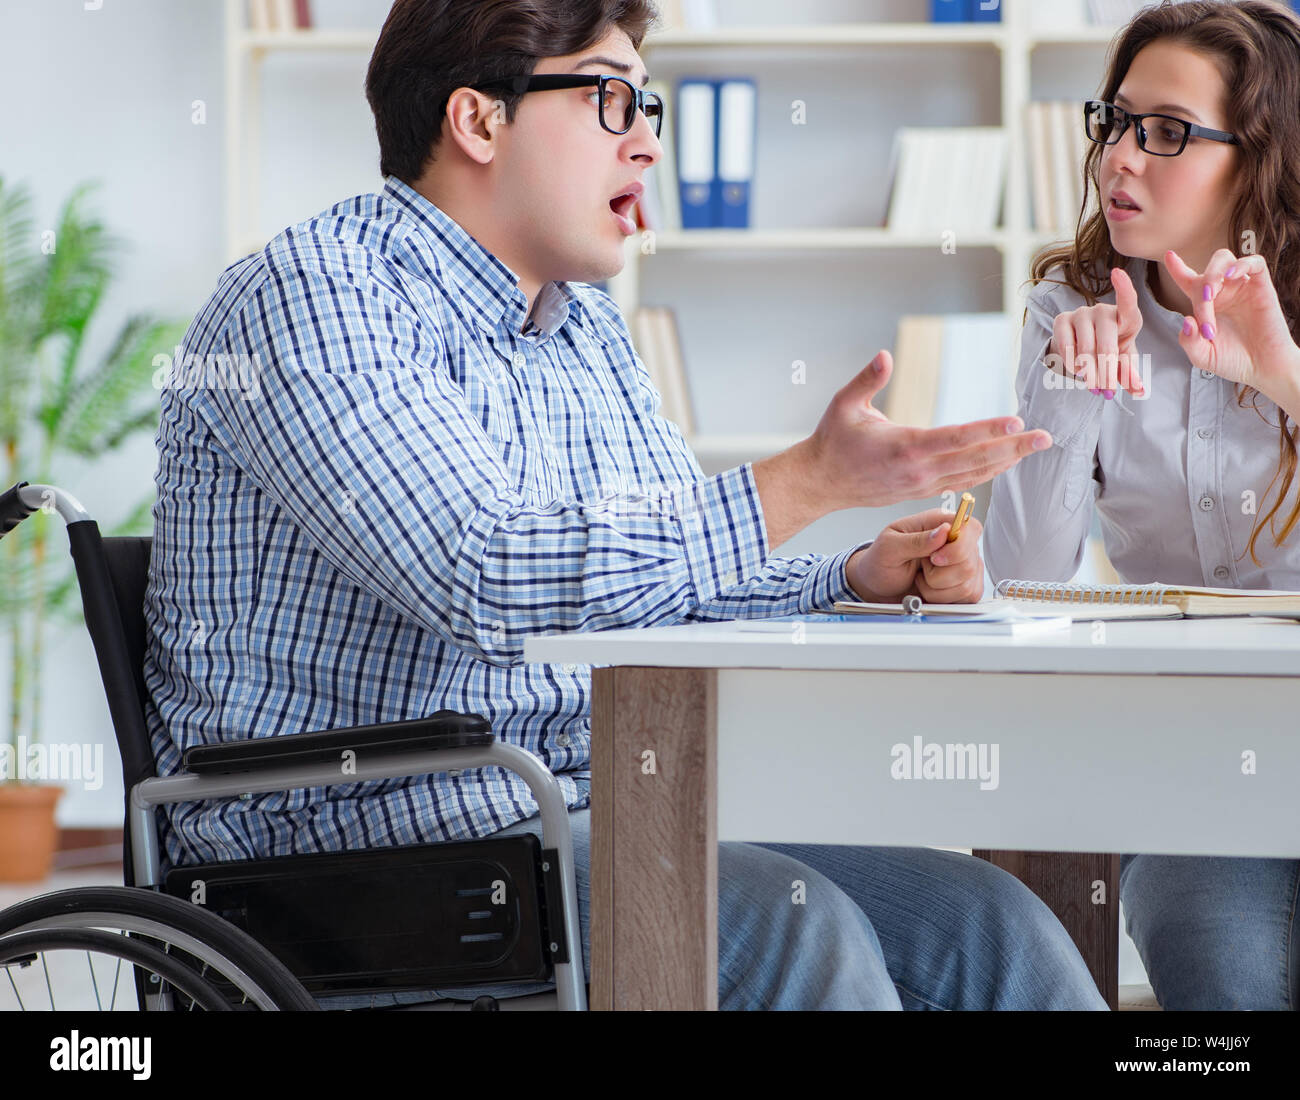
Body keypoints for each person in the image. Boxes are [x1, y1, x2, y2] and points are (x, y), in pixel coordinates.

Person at [145, 0, 1103, 1010]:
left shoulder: (581, 326)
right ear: (479, 121)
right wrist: (801, 481)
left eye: (647, 106)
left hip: (584, 808)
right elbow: (484, 570)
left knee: (993, 928)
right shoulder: (309, 298)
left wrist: (856, 576)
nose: (648, 143)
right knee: (791, 930)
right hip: (347, 843)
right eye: (611, 101)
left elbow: (664, 586)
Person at [985, 0, 1300, 1011]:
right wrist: (1070, 390)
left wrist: (1285, 377)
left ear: (1255, 155)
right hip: (1197, 759)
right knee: (1225, 981)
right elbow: (1020, 584)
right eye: (1115, 122)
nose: (1121, 158)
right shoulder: (1068, 307)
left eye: (1165, 133)